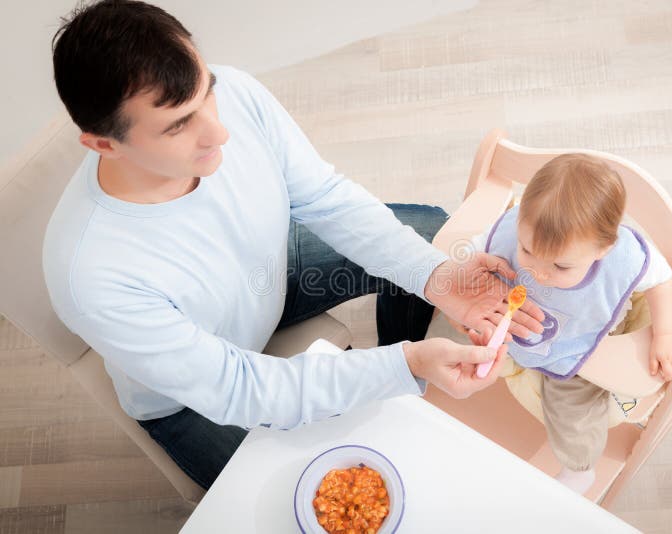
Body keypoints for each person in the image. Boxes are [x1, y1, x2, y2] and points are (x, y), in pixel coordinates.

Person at [42, 0, 543, 490]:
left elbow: (325, 198)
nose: (218, 130)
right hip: (196, 400)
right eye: (177, 125)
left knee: (429, 235)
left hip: (269, 273)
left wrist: (438, 280)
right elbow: (238, 387)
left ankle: (401, 381)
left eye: (206, 92)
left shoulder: (234, 92)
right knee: (313, 494)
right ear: (103, 144)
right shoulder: (90, 272)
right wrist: (404, 366)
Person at [467, 153, 672, 494]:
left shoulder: (623, 259)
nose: (538, 272)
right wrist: (474, 270)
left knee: (574, 410)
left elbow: (661, 281)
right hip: (506, 317)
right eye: (526, 251)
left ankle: (579, 469)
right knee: (455, 331)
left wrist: (666, 334)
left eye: (561, 266)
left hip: (578, 343)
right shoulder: (519, 225)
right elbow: (473, 250)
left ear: (603, 249)